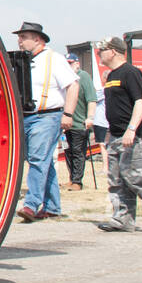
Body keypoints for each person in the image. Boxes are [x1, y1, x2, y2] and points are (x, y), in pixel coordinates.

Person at [94, 36, 142, 232]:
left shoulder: (130, 72)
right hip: (116, 135)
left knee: (135, 177)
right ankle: (122, 219)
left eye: (103, 50)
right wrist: (110, 134)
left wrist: (131, 130)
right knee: (115, 180)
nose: (100, 54)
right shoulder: (111, 76)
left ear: (114, 51)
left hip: (131, 136)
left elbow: (140, 102)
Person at [13, 21, 79, 222]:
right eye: (20, 37)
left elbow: (73, 85)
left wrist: (68, 114)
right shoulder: (23, 61)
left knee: (37, 160)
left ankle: (31, 205)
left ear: (38, 39)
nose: (20, 41)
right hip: (28, 116)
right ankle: (52, 207)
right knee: (43, 161)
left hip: (48, 115)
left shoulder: (54, 59)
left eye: (24, 37)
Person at [62, 53, 97, 192]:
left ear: (77, 64)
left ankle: (77, 181)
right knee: (67, 151)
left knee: (78, 152)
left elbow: (91, 99)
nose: (68, 66)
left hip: (79, 123)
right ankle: (72, 179)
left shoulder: (84, 77)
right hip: (65, 125)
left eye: (70, 63)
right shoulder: (64, 78)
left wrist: (90, 117)